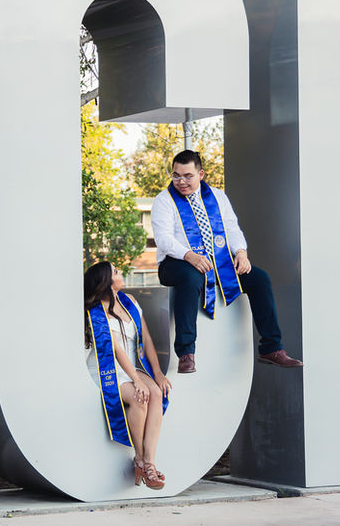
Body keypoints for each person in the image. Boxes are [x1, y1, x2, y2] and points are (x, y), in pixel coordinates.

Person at [151, 149, 303, 374]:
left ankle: (271, 348)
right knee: (192, 276)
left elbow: (232, 228)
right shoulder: (164, 200)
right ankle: (186, 353)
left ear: (200, 174)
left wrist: (241, 252)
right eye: (176, 175)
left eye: (187, 176)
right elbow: (163, 239)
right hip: (176, 262)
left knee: (259, 278)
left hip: (217, 261)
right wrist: (190, 256)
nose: (180, 181)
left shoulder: (218, 197)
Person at [84, 261, 173, 489]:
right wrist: (135, 380)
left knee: (156, 392)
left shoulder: (130, 302)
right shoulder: (96, 313)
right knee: (139, 397)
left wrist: (158, 373)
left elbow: (147, 339)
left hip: (133, 368)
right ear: (106, 282)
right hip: (108, 370)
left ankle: (148, 461)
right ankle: (142, 459)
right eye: (116, 271)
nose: (121, 273)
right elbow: (117, 350)